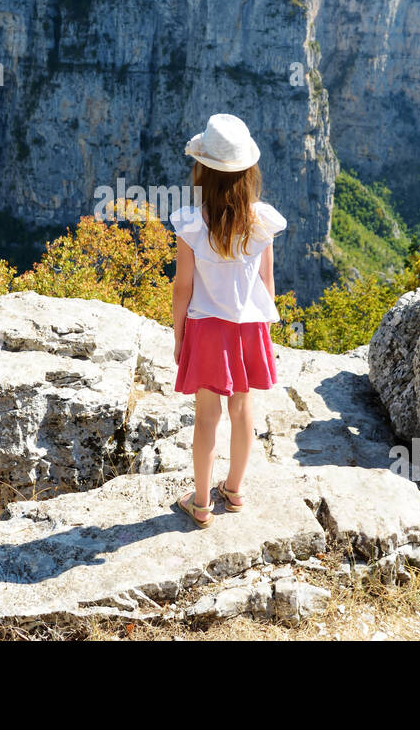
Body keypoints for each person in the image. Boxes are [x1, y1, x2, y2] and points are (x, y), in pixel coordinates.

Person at [169, 113, 286, 528]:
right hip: (249, 327)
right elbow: (267, 283)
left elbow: (183, 289)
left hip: (206, 328)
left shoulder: (191, 224)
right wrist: (265, 336)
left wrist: (179, 337)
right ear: (248, 173)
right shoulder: (261, 223)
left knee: (206, 417)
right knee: (242, 409)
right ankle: (233, 490)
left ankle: (200, 502)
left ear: (203, 171)